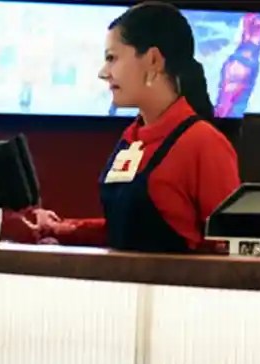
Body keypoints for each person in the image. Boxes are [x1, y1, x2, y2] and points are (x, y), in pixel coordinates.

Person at [23, 2, 241, 251]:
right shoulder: (131, 139)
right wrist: (63, 229)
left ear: (153, 60)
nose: (103, 73)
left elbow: (229, 247)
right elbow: (125, 231)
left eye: (112, 58)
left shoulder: (204, 143)